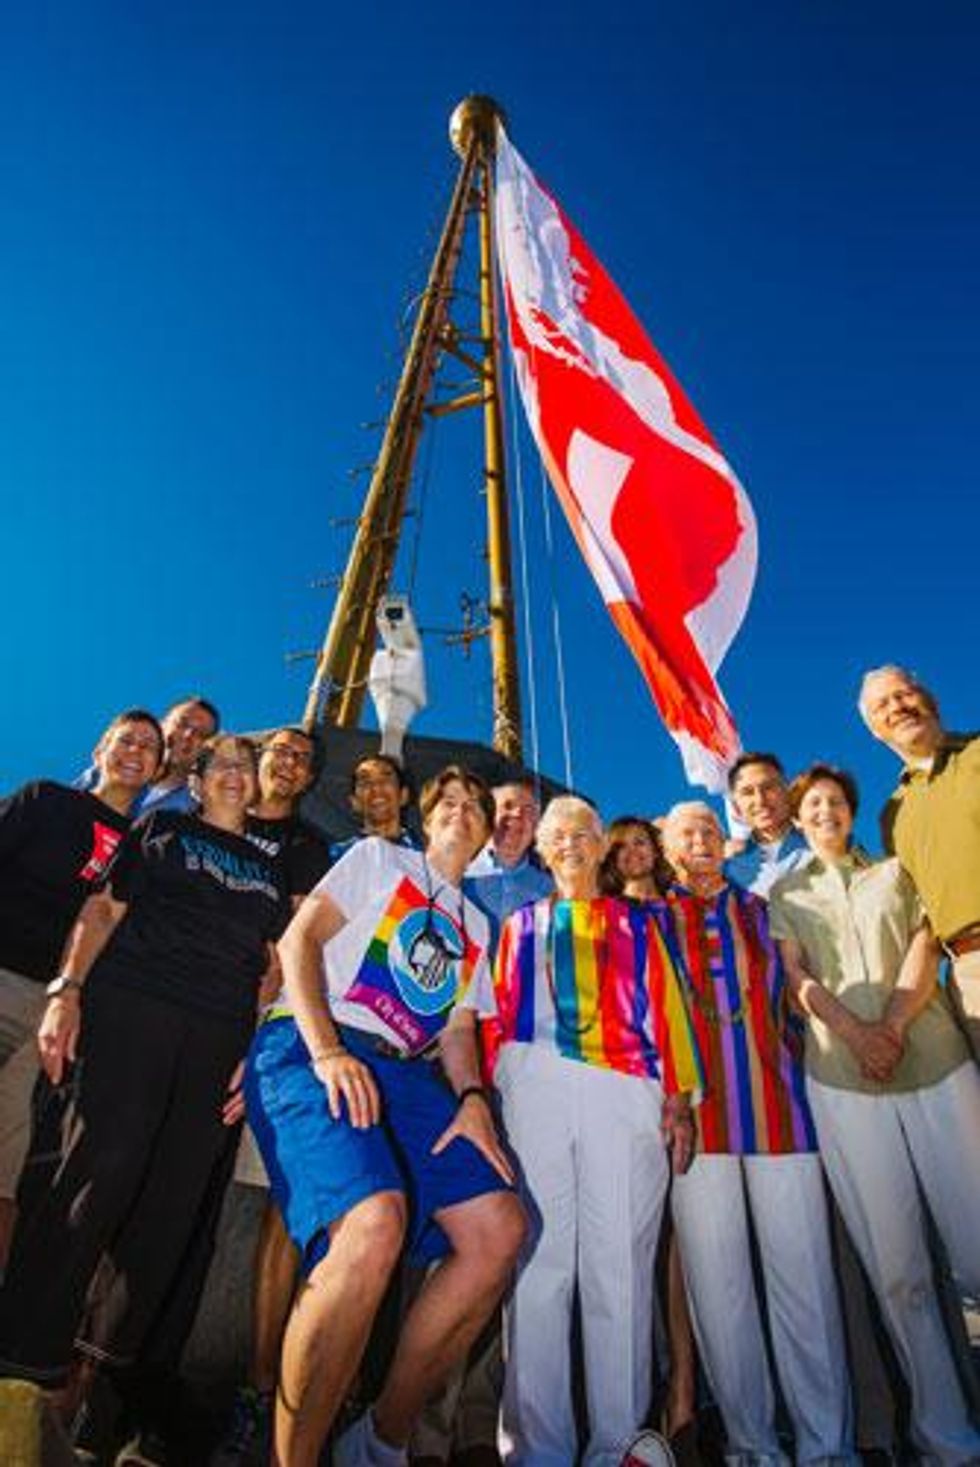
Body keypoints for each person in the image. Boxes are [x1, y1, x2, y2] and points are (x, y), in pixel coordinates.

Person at [0, 735, 289, 1467]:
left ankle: (94, 1388)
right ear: (197, 782)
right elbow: (102, 912)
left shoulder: (267, 868)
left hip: (218, 1037)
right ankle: (22, 1370)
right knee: (97, 1172)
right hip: (136, 1005)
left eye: (242, 769)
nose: (232, 773)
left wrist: (253, 1050)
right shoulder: (162, 830)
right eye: (220, 764)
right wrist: (66, 992)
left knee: (168, 1208)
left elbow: (271, 971)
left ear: (256, 790)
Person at [243, 764, 525, 1467]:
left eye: (474, 807)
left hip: (408, 1071)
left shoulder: (476, 927)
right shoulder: (376, 859)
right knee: (372, 1227)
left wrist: (472, 1101)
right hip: (317, 1039)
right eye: (447, 802)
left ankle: (379, 1441)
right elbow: (299, 942)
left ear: (486, 832)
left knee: (500, 1229)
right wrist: (327, 1049)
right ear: (427, 819)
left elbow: (458, 1034)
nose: (460, 812)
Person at [769, 763, 980, 1464]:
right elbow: (796, 976)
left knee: (976, 1251)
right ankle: (948, 1439)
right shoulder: (785, 893)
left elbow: (924, 944)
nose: (825, 810)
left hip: (935, 1061)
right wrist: (857, 1036)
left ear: (852, 811)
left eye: (835, 800)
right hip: (842, 1078)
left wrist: (890, 1022)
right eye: (813, 803)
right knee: (900, 1273)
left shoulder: (894, 870)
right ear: (798, 819)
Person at [486, 795, 701, 1467]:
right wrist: (502, 1086)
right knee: (539, 1261)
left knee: (620, 1263)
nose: (570, 842)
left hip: (625, 1089)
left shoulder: (641, 922)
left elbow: (670, 1007)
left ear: (603, 843)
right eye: (557, 835)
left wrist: (679, 1097)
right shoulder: (518, 923)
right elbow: (494, 1010)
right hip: (536, 1085)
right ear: (543, 851)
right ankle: (536, 1448)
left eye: (582, 830)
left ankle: (616, 1443)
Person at [659, 802, 857, 1467]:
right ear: (666, 847)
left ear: (726, 843)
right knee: (718, 1292)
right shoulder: (653, 920)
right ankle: (751, 1446)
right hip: (695, 1126)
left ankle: (828, 1447)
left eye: (709, 832)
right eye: (685, 834)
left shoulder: (763, 910)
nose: (699, 842)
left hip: (781, 1111)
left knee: (804, 1282)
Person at [410, 778, 553, 1467]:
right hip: (453, 1072)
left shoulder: (555, 886)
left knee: (516, 1240)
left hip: (531, 1080)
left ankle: (482, 1418)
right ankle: (424, 1424)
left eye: (528, 809)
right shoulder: (448, 879)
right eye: (504, 809)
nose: (516, 818)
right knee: (451, 1245)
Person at [0, 708, 164, 1266]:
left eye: (149, 747)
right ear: (99, 751)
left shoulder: (146, 846)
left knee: (9, 1164)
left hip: (55, 1014)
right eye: (125, 740)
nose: (135, 750)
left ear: (159, 771)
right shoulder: (45, 798)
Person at [861, 663, 980, 1057]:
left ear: (929, 699)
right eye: (882, 706)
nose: (896, 706)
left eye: (904, 693)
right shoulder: (893, 816)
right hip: (969, 971)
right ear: (875, 731)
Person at [724, 753, 808, 897]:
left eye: (768, 787)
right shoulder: (728, 870)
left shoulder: (825, 846)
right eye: (747, 792)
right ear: (736, 807)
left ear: (787, 793)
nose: (760, 800)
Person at [330, 752, 420, 860]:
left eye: (386, 780)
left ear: (404, 795)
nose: (377, 788)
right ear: (354, 802)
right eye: (365, 782)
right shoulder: (337, 856)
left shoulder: (426, 857)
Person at [599, 813, 671, 900]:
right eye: (621, 846)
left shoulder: (681, 903)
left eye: (639, 842)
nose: (632, 850)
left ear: (655, 851)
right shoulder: (600, 909)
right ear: (614, 858)